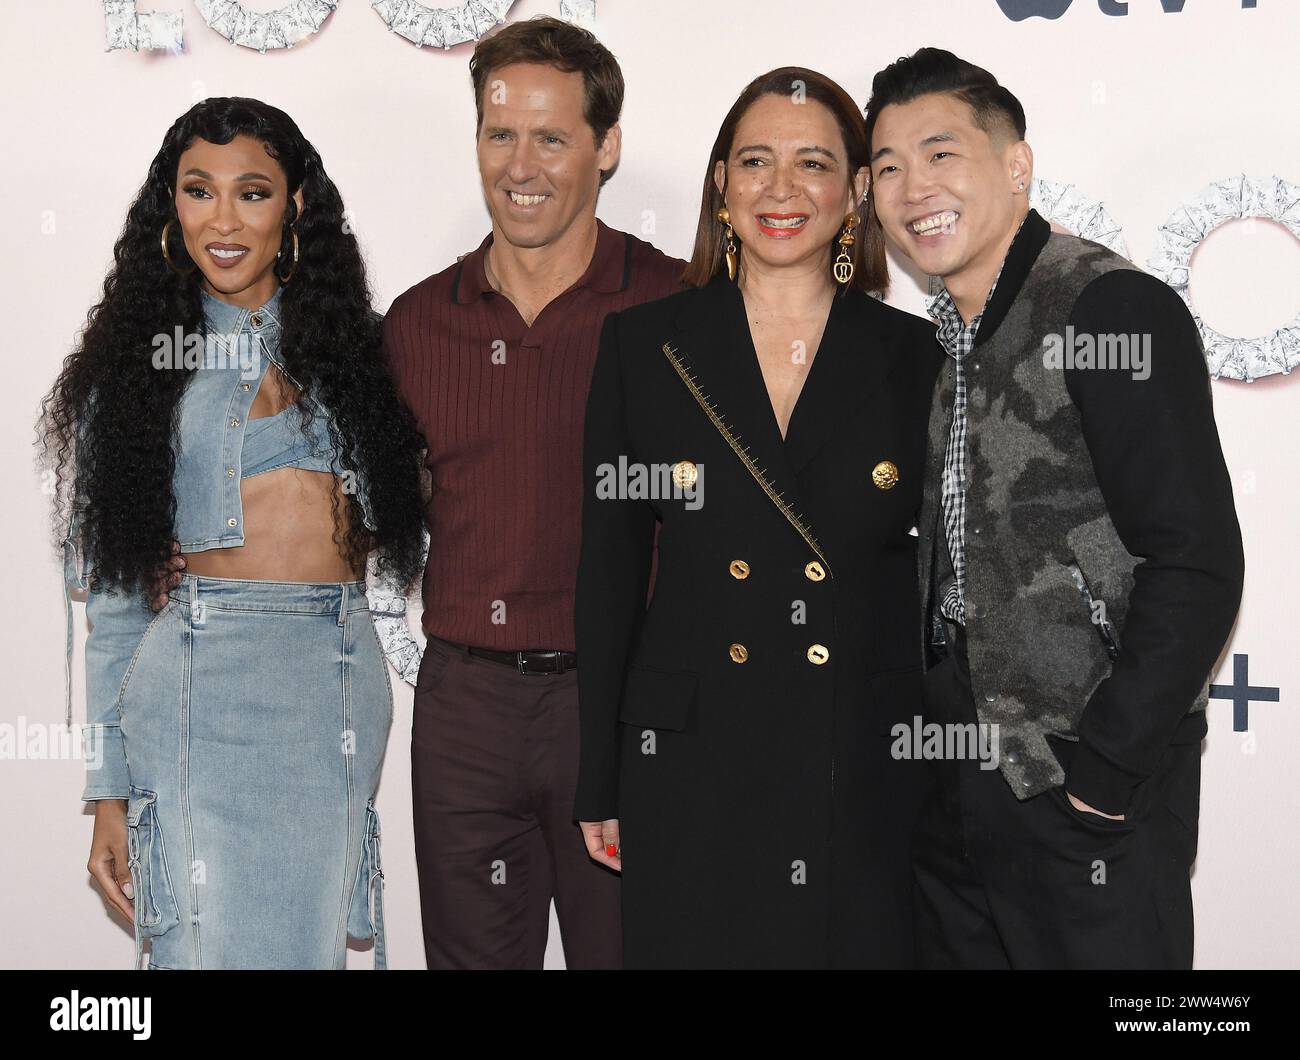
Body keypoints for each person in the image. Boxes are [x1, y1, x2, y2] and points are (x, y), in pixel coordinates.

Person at [864, 47, 1245, 968]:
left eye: (941, 152)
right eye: (886, 166)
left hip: (1083, 795)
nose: (914, 187)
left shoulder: (1107, 307)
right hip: (955, 790)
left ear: (1016, 165)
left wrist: (1106, 773)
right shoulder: (948, 340)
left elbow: (1195, 560)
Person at [39, 97, 428, 969]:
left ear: (293, 206)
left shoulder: (361, 350)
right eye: (198, 191)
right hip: (194, 686)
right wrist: (108, 791)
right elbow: (114, 603)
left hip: (331, 680)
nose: (223, 218)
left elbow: (418, 510)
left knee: (310, 949)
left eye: (251, 192)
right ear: (169, 210)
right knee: (200, 948)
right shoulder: (139, 366)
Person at [573, 66, 942, 968]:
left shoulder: (919, 354)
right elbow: (611, 570)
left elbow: (942, 580)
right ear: (720, 183)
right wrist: (599, 777)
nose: (781, 190)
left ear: (855, 190)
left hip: (859, 753)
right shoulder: (644, 345)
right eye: (755, 161)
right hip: (692, 755)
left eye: (813, 164)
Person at [380, 16, 684, 969]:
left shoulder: (677, 307)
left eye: (552, 137)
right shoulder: (419, 322)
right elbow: (364, 509)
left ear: (607, 148)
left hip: (625, 700)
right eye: (500, 133)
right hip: (465, 708)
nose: (523, 164)